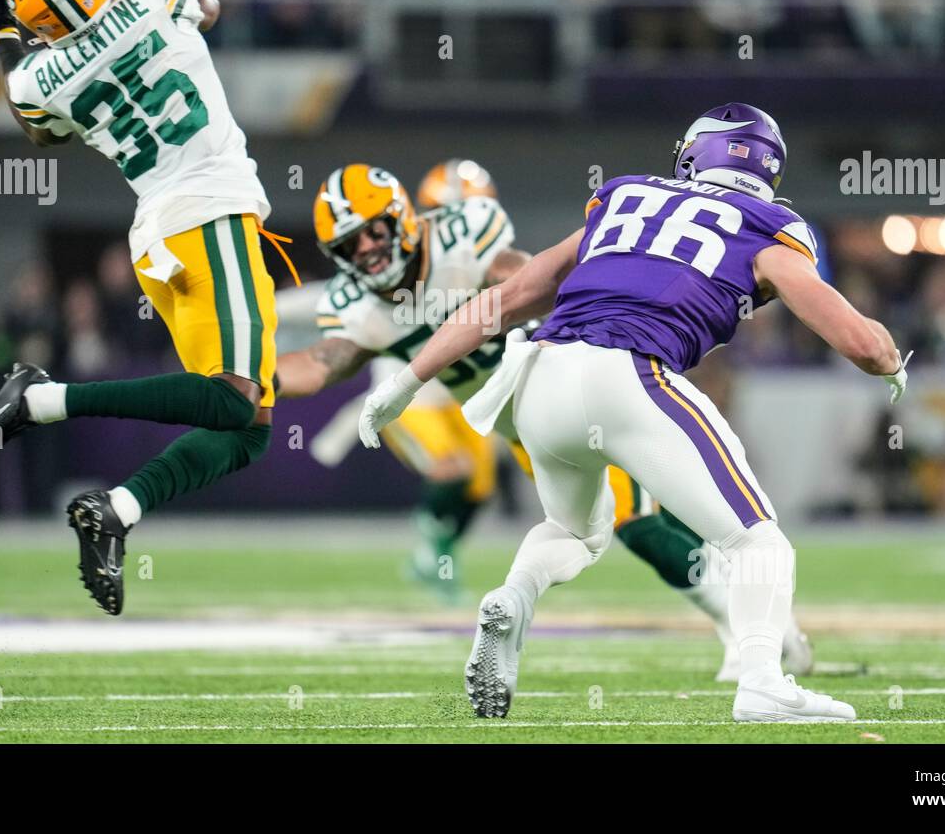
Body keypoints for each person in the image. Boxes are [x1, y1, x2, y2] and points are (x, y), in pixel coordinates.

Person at [359, 103, 910, 722]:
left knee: (573, 530)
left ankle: (514, 597)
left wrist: (405, 383)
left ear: (696, 152)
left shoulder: (626, 194)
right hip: (630, 373)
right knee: (758, 541)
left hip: (539, 376)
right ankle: (760, 681)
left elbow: (509, 297)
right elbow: (861, 343)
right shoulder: (770, 226)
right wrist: (892, 362)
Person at [277, 160, 811, 677]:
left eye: (374, 231)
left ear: (404, 219)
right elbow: (325, 361)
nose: (367, 249)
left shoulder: (464, 235)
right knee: (638, 522)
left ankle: (749, 636)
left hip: (565, 383)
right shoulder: (355, 306)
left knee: (642, 522)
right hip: (530, 426)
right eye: (351, 243)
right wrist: (254, 379)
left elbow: (519, 280)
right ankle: (757, 634)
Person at [0, 0, 281, 616]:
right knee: (233, 400)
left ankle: (116, 509)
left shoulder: (42, 75)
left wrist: (2, 30)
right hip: (211, 212)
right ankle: (41, 398)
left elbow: (34, 123)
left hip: (157, 231)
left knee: (247, 429)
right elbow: (212, 5)